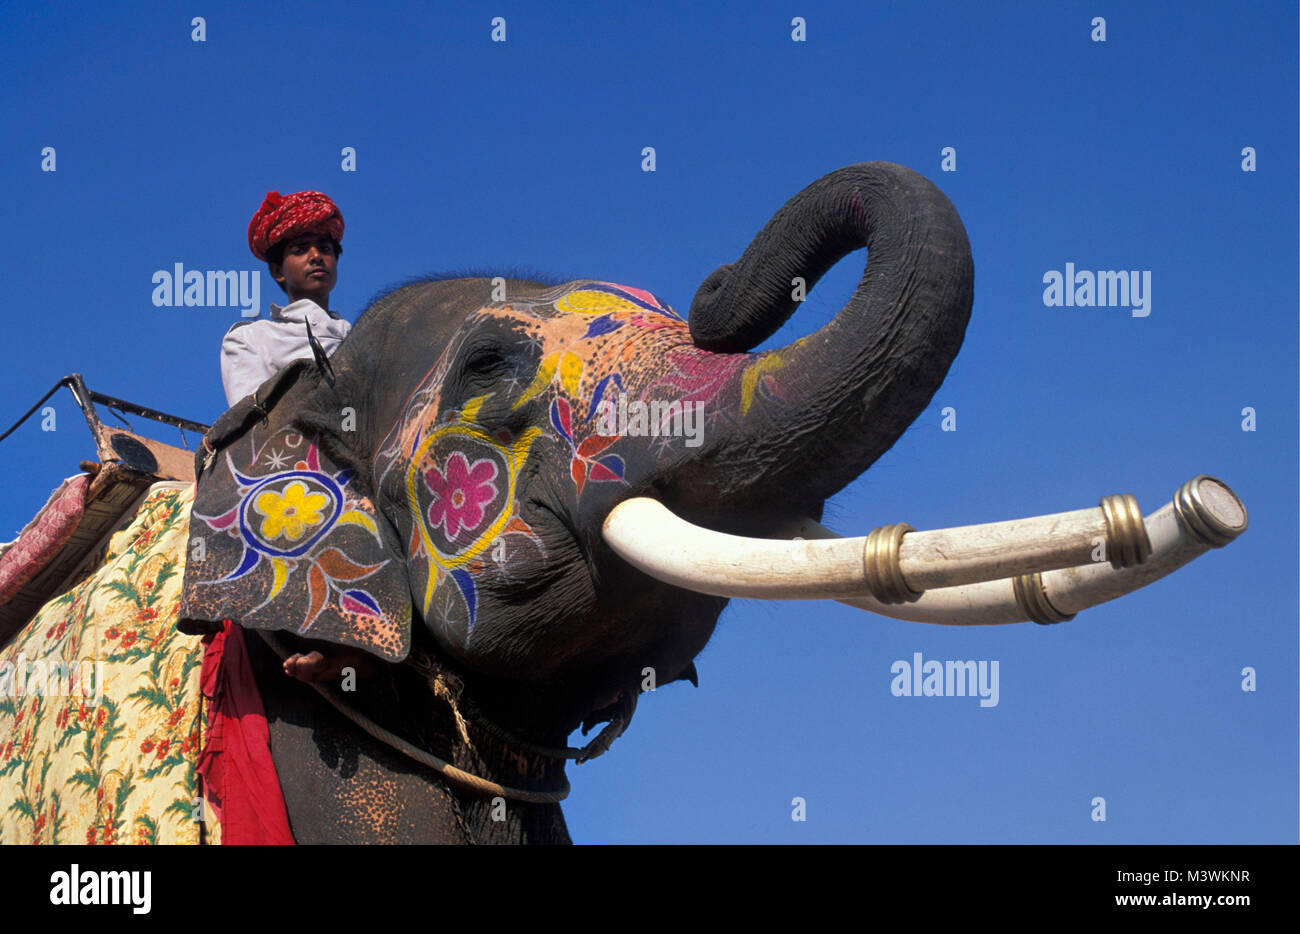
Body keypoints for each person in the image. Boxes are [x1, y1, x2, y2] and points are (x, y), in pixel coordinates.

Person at [221, 190, 352, 407]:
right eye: (300, 250)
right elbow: (252, 425)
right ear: (277, 271)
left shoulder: (361, 336)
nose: (316, 256)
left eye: (325, 249)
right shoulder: (250, 339)